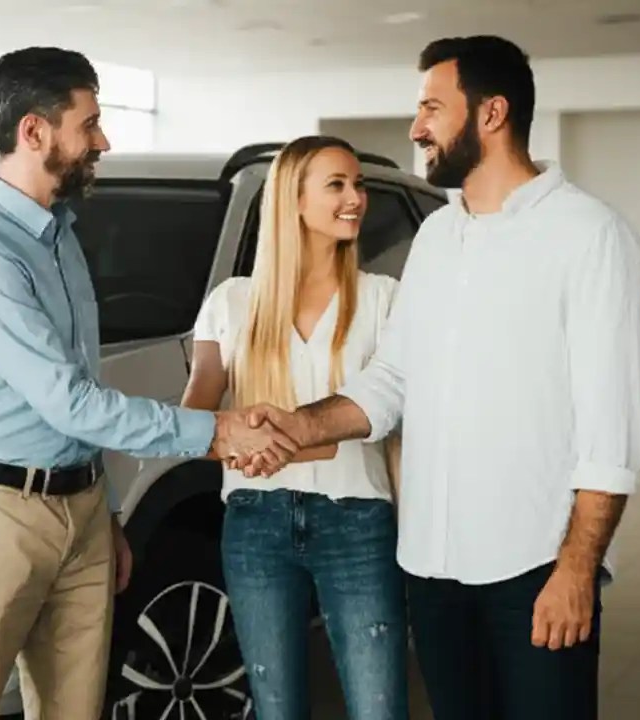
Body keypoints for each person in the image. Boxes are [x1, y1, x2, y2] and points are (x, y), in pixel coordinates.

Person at [239, 35, 640, 720]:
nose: (416, 128)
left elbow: (614, 428)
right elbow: (394, 378)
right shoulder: (437, 237)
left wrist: (577, 567)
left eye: (432, 107)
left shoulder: (589, 235)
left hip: (533, 567)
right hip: (430, 568)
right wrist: (301, 423)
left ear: (491, 114)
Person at [0, 46, 296, 720]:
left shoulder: (59, 234)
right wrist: (219, 431)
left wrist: (108, 511)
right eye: (88, 124)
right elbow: (70, 401)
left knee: (75, 711)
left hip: (82, 507)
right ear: (34, 132)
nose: (102, 140)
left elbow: (76, 390)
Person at [181, 135, 408, 720]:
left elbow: (398, 422)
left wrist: (412, 533)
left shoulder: (387, 301)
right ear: (293, 199)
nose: (355, 197)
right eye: (336, 184)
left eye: (358, 184)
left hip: (360, 521)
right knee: (276, 707)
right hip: (255, 521)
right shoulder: (230, 303)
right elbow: (193, 420)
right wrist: (238, 445)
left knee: (378, 706)